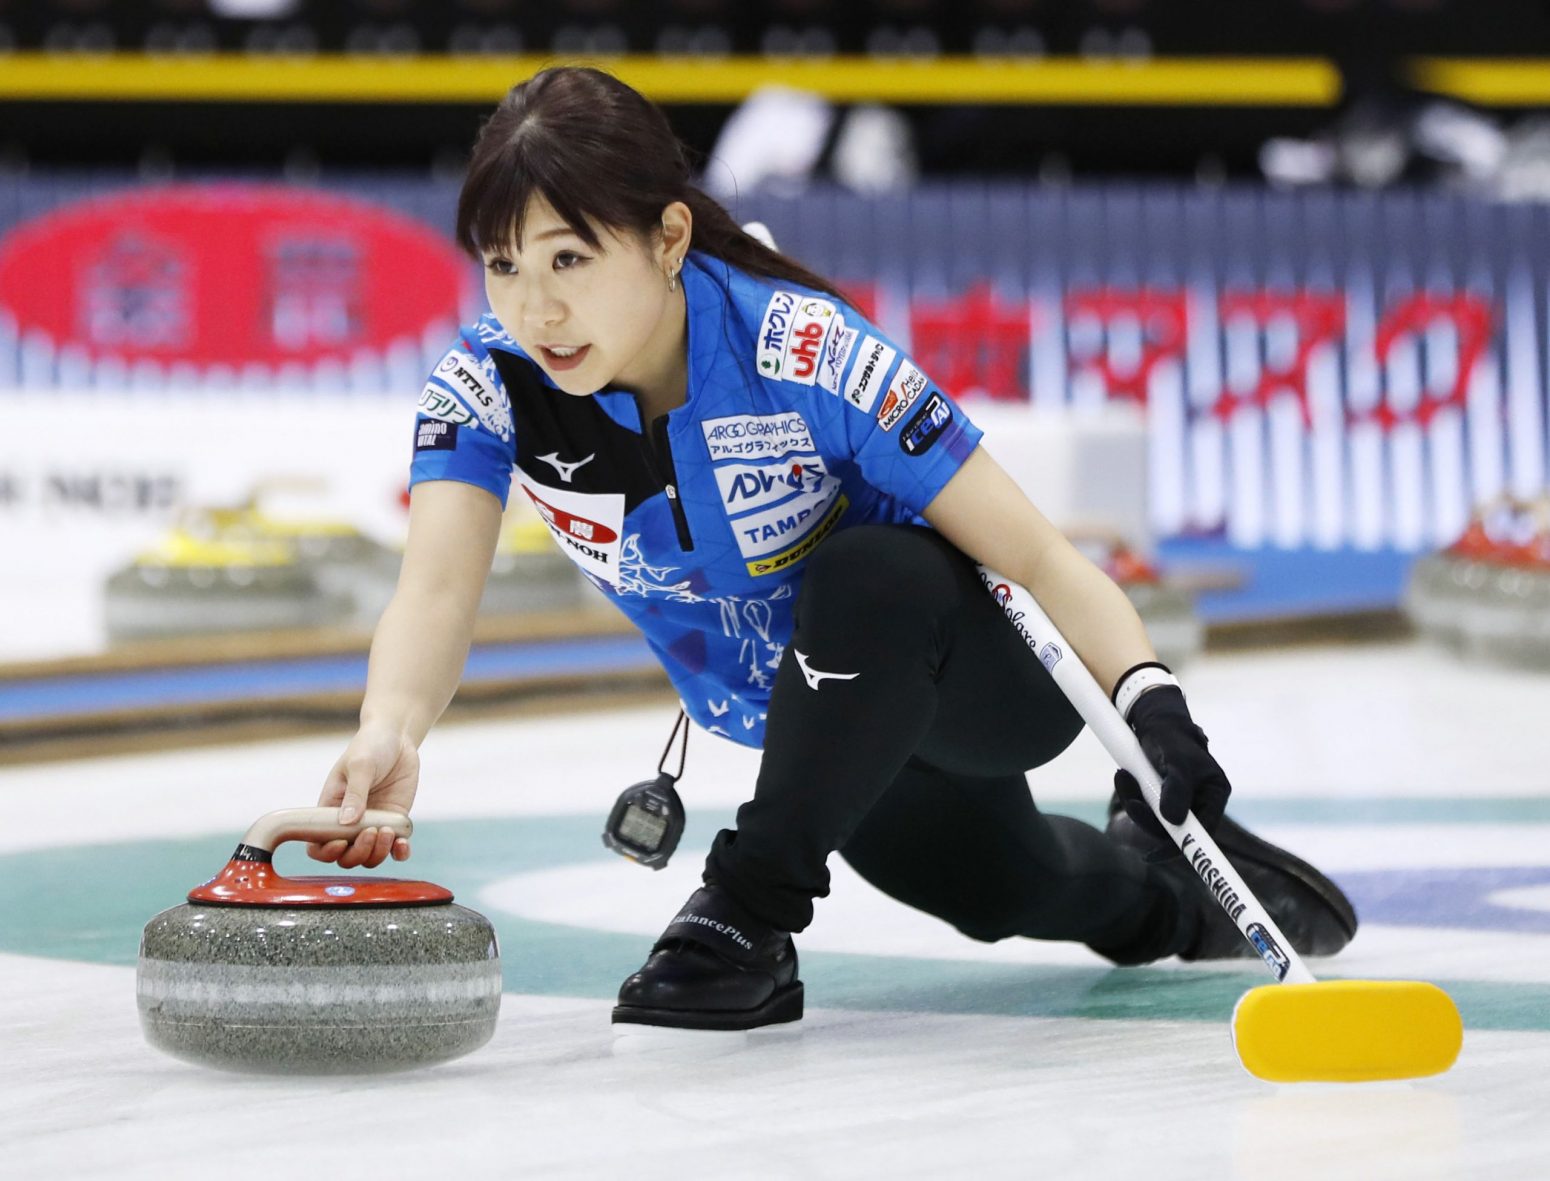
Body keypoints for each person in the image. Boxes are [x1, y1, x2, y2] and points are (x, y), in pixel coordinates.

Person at [307, 66, 1357, 1033]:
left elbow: (1036, 556)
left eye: (569, 258)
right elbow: (437, 590)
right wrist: (388, 727)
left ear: (668, 237)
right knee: (1005, 893)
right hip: (823, 727)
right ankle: (1171, 898)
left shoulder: (802, 350)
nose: (535, 306)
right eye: (502, 265)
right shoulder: (489, 387)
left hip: (976, 670)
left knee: (865, 569)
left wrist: (1150, 705)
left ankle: (743, 915)